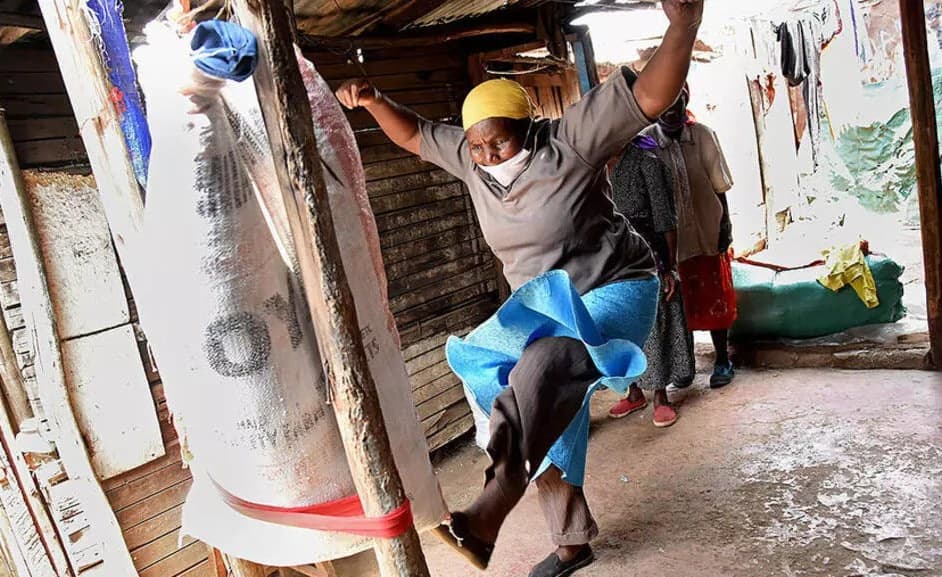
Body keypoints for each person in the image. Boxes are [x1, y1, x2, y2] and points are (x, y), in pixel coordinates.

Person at [335, 3, 703, 575]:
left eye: (499, 146)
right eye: (478, 148)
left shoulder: (570, 141)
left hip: (614, 287)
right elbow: (413, 135)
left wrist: (682, 28)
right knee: (531, 405)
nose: (487, 158)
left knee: (546, 364)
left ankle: (492, 504)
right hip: (542, 306)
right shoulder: (469, 158)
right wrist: (373, 99)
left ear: (527, 129)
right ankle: (570, 543)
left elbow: (649, 97)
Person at [644, 86, 738, 388]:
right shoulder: (646, 143)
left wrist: (725, 227)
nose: (671, 108)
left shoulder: (703, 135)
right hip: (672, 241)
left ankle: (722, 358)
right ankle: (685, 366)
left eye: (678, 100)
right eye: (665, 102)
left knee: (715, 296)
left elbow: (719, 187)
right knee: (679, 302)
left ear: (687, 98)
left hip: (706, 229)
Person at [607, 135, 695, 427]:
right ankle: (633, 392)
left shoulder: (647, 162)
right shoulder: (590, 167)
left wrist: (668, 267)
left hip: (648, 252)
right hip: (608, 257)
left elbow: (665, 219)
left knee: (654, 321)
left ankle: (660, 395)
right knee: (619, 323)